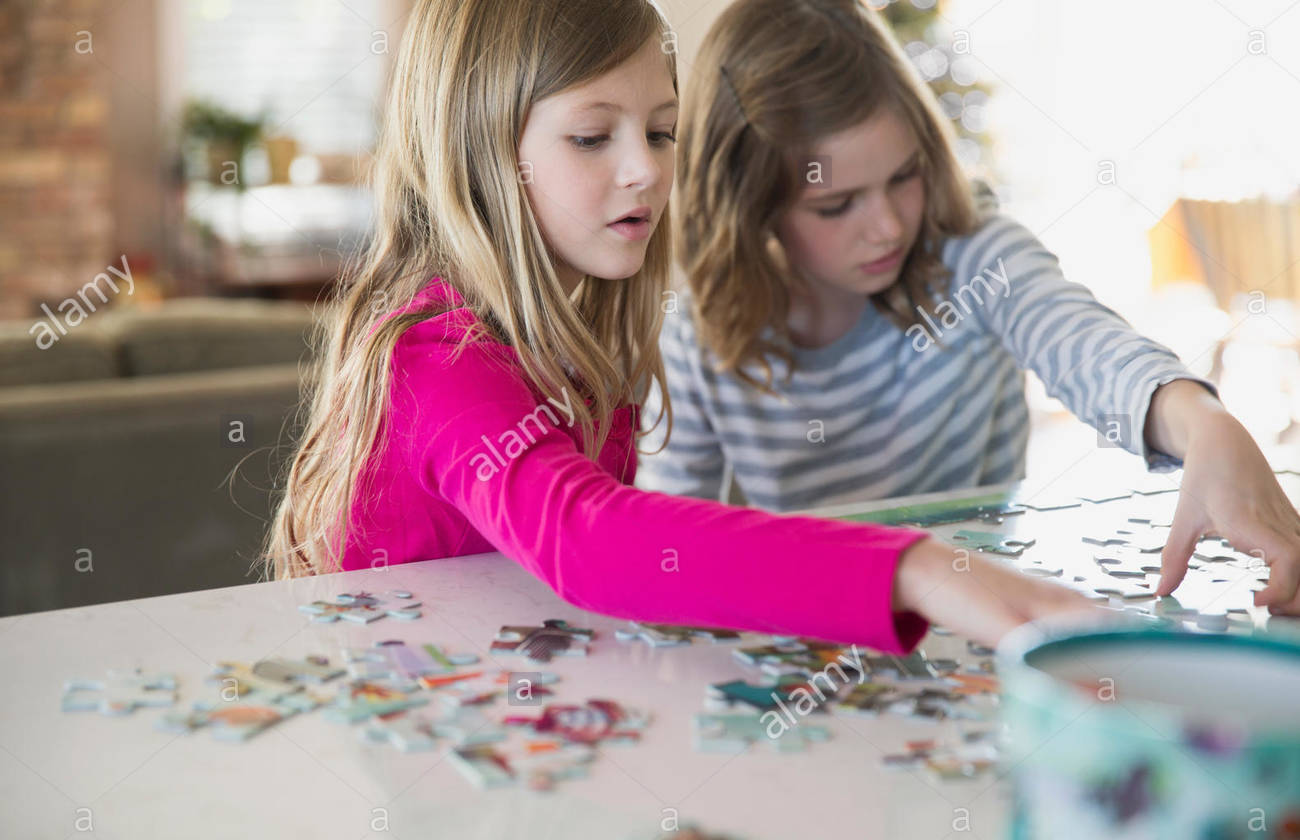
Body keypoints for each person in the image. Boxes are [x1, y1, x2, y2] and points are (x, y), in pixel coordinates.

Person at [264, 0, 1097, 650]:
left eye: (663, 132)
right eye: (593, 136)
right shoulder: (433, 356)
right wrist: (910, 565)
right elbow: (592, 541)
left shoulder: (579, 331)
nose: (646, 171)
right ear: (478, 153)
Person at [638, 0, 1300, 615]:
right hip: (813, 637)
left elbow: (1086, 345)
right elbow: (668, 556)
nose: (889, 226)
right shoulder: (697, 341)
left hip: (990, 621)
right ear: (752, 207)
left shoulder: (976, 259)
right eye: (837, 204)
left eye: (905, 176)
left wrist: (1202, 420)